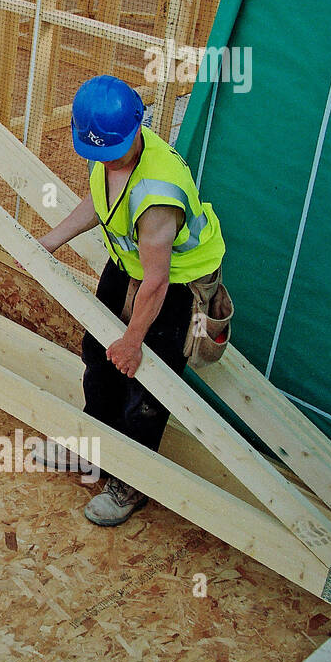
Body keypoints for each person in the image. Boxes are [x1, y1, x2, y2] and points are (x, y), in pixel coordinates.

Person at [37, 75, 226, 526]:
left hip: (175, 287)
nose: (106, 159)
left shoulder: (159, 194)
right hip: (129, 266)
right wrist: (51, 241)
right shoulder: (111, 147)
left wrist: (133, 339)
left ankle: (132, 482)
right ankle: (93, 449)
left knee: (147, 385)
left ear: (136, 128)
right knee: (98, 359)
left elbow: (158, 282)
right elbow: (101, 199)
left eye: (111, 151)